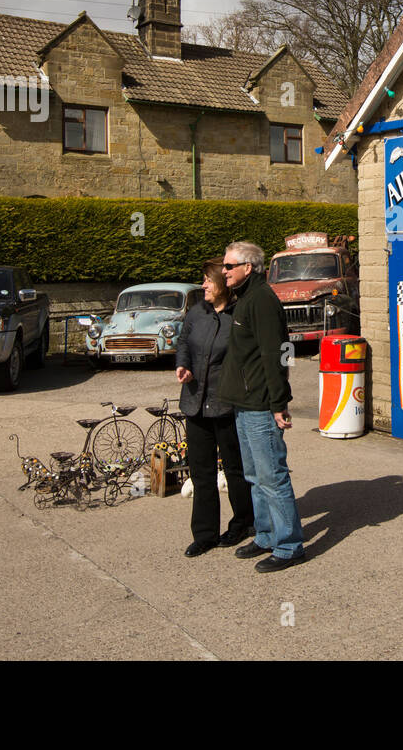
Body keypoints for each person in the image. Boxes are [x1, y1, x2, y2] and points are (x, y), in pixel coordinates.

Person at [218, 241, 306, 572]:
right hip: (244, 403)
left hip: (260, 404)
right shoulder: (245, 300)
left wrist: (279, 402)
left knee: (272, 476)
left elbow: (279, 352)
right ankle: (267, 534)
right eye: (225, 266)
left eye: (229, 266)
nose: (224, 271)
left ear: (249, 267)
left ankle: (290, 545)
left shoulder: (263, 300)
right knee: (254, 475)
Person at [175, 258, 253, 558]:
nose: (203, 285)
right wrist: (183, 364)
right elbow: (183, 341)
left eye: (208, 280)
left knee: (235, 468)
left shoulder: (239, 314)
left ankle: (243, 522)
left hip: (226, 403)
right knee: (201, 471)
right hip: (195, 403)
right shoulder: (197, 312)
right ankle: (204, 534)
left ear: (222, 284)